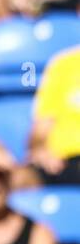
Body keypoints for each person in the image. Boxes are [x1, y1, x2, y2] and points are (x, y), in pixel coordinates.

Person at [28, 44, 80, 184]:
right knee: (22, 178)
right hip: (65, 162)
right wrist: (41, 151)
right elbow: (40, 129)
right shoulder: (63, 64)